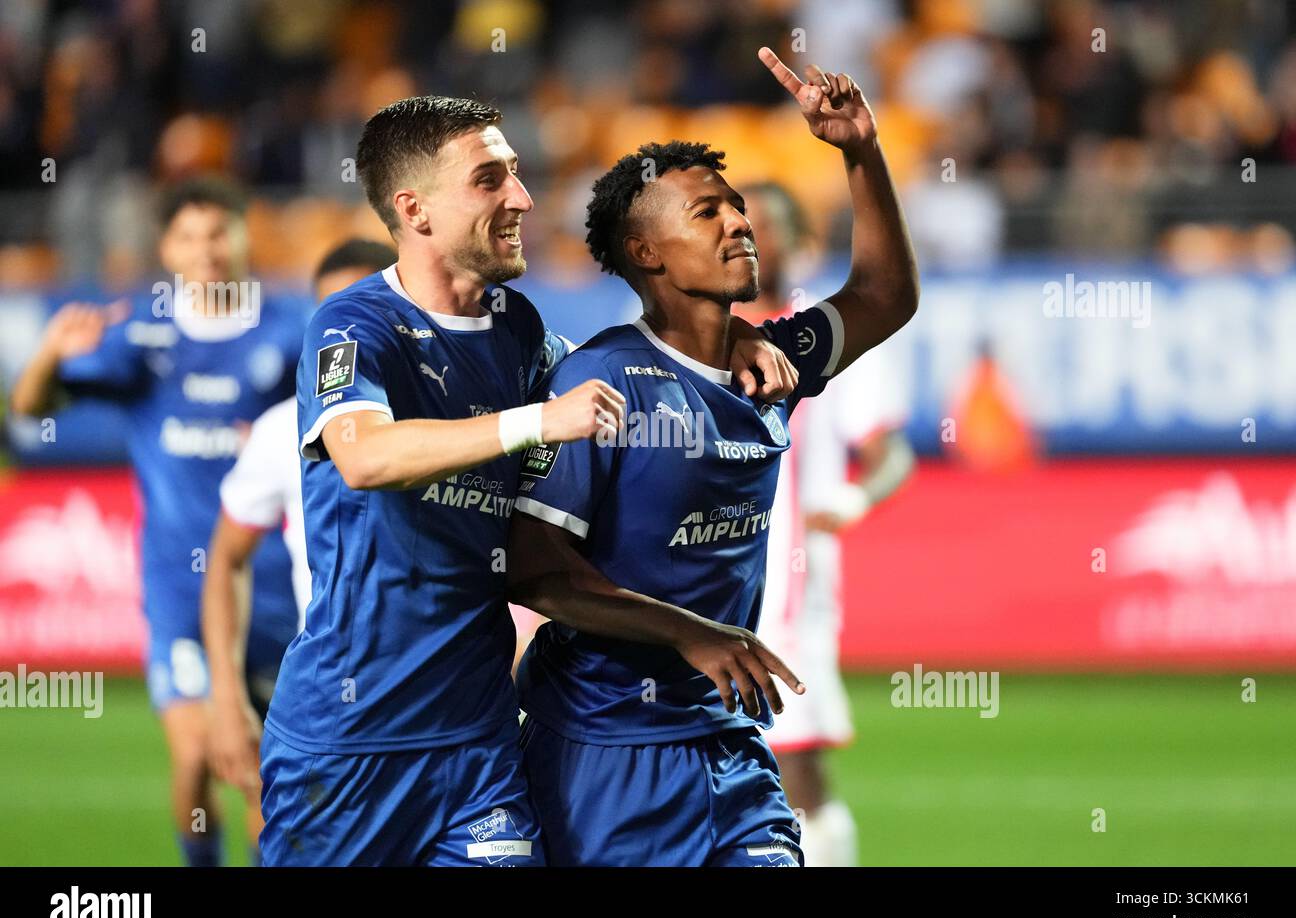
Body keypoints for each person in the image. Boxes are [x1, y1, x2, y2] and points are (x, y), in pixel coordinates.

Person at [258, 94, 796, 866]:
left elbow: (620, 368)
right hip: (350, 741)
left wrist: (726, 335)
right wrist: (535, 423)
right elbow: (365, 458)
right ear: (416, 209)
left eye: (515, 173)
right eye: (489, 180)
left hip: (481, 745)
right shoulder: (353, 327)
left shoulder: (521, 330)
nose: (522, 197)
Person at [504, 48, 919, 866]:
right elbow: (534, 569)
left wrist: (860, 151)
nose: (738, 222)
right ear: (647, 253)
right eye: (706, 212)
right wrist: (688, 632)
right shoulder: (605, 377)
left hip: (731, 744)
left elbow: (882, 297)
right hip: (608, 748)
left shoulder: (770, 364)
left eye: (736, 207)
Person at [8, 178, 304, 866]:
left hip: (271, 590)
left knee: (273, 780)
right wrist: (53, 350)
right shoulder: (141, 337)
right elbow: (29, 409)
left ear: (241, 236)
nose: (207, 252)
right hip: (179, 591)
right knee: (201, 750)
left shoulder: (289, 333)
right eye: (190, 237)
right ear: (167, 248)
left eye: (218, 233)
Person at [734, 183, 916, 867]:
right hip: (695, 588)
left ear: (801, 243)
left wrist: (855, 499)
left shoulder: (829, 338)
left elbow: (891, 453)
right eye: (734, 221)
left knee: (795, 767)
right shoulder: (683, 337)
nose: (746, 237)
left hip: (789, 588)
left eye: (766, 226)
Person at [200, 239, 396, 864]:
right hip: (333, 700)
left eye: (363, 303)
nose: (347, 328)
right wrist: (227, 701)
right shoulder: (280, 429)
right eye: (329, 313)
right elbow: (224, 558)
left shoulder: (464, 415)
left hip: (456, 700)